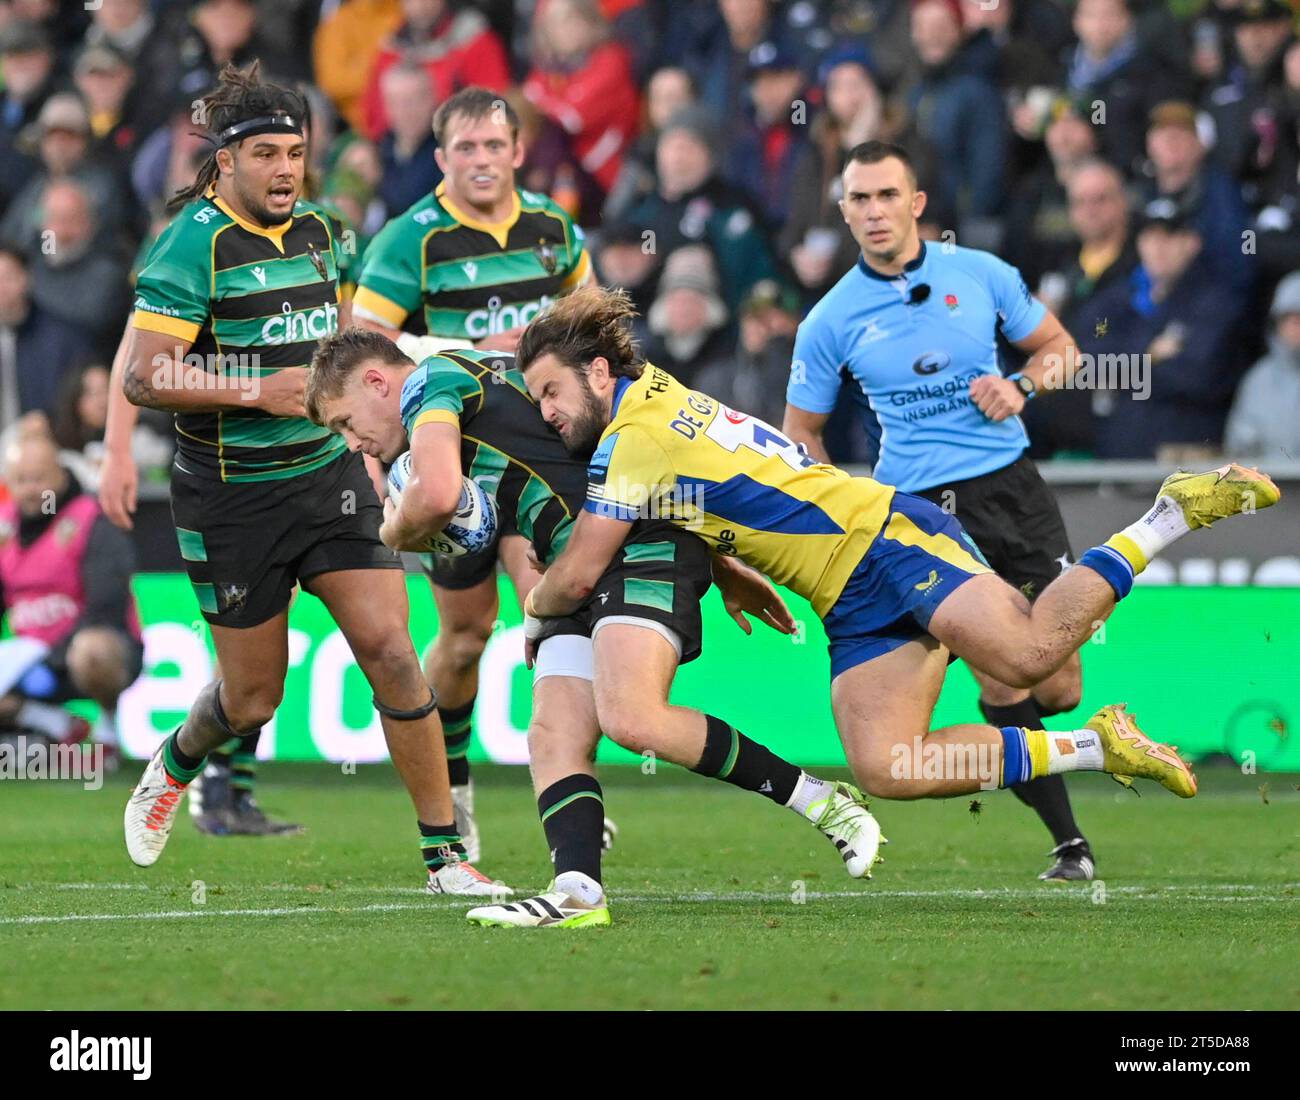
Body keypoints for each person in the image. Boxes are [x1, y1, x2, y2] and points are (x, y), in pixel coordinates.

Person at [516, 286, 1282, 851]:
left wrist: (535, 611)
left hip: (885, 538)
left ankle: (1173, 511)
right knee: (889, 766)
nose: (546, 411)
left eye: (550, 390)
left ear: (598, 371)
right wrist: (727, 566)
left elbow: (580, 573)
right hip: (844, 596)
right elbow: (711, 487)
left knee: (1029, 656)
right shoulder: (655, 396)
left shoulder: (633, 439)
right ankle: (1098, 745)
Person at [304, 328, 883, 928]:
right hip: (580, 557)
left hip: (638, 546)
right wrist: (721, 563)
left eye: (347, 423)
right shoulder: (494, 378)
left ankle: (825, 803)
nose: (356, 445)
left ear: (378, 382)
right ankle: (578, 890)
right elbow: (590, 463)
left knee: (632, 717)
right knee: (553, 732)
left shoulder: (430, 382)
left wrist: (392, 529)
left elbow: (438, 496)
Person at [118, 62, 506, 896]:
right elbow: (145, 378)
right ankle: (181, 757)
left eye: (294, 150)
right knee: (254, 699)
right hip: (230, 496)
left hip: (326, 479)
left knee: (394, 654)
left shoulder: (328, 235)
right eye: (264, 153)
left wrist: (383, 435)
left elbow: (342, 352)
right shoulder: (193, 245)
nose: (285, 168)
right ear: (225, 162)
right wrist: (258, 389)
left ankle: (447, 858)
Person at [780, 140, 1108, 879]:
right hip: (923, 516)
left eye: (887, 195)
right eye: (859, 200)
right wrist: (837, 510)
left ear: (917, 202)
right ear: (844, 212)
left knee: (1057, 684)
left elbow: (1060, 349)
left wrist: (1022, 385)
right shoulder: (829, 320)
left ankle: (1057, 767)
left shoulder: (981, 274)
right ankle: (1070, 842)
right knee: (1002, 676)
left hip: (1014, 492)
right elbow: (801, 433)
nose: (874, 212)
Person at [353, 86, 596, 859]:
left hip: (537, 456)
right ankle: (455, 792)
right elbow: (365, 358)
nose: (482, 160)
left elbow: (596, 341)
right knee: (466, 635)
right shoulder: (409, 240)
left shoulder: (554, 231)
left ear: (519, 152)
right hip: (451, 462)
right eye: (466, 148)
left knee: (550, 615)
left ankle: (569, 787)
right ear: (440, 159)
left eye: (495, 146)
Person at [0, 431, 142, 763]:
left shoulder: (92, 518)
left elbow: (105, 606)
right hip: (28, 660)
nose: (31, 490)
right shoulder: (5, 529)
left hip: (87, 653)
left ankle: (107, 731)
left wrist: (50, 656)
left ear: (60, 475)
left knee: (94, 650)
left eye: (38, 479)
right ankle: (53, 724)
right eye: (21, 480)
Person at [1075, 201, 1247, 459]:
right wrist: (1149, 353)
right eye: (1150, 237)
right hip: (1117, 460)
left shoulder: (1216, 302)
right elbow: (1088, 362)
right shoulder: (1115, 302)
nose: (1159, 247)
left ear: (1192, 242)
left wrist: (1122, 369)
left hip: (1185, 462)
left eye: (1170, 236)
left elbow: (1199, 375)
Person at [1224, 270, 1300, 462]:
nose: (1296, 328)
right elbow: (1237, 445)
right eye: (1290, 320)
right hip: (1270, 486)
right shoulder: (1258, 380)